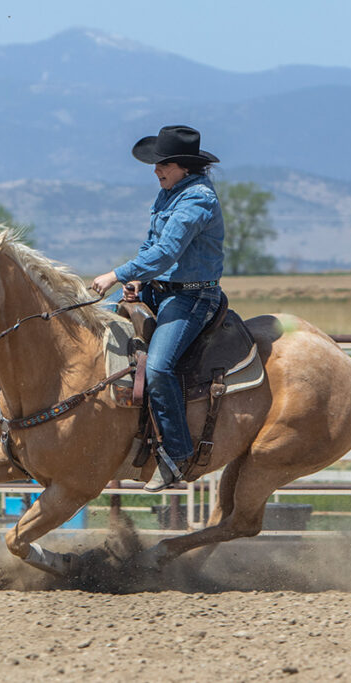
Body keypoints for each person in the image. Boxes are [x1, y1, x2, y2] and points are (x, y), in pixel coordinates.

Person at [91, 125, 225, 492]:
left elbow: (168, 252)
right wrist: (137, 280)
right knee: (98, 325)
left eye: (162, 164)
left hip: (191, 297)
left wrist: (116, 274)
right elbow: (154, 248)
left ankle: (178, 455)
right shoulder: (168, 194)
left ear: (183, 166)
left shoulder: (198, 200)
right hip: (157, 290)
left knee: (161, 367)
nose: (156, 170)